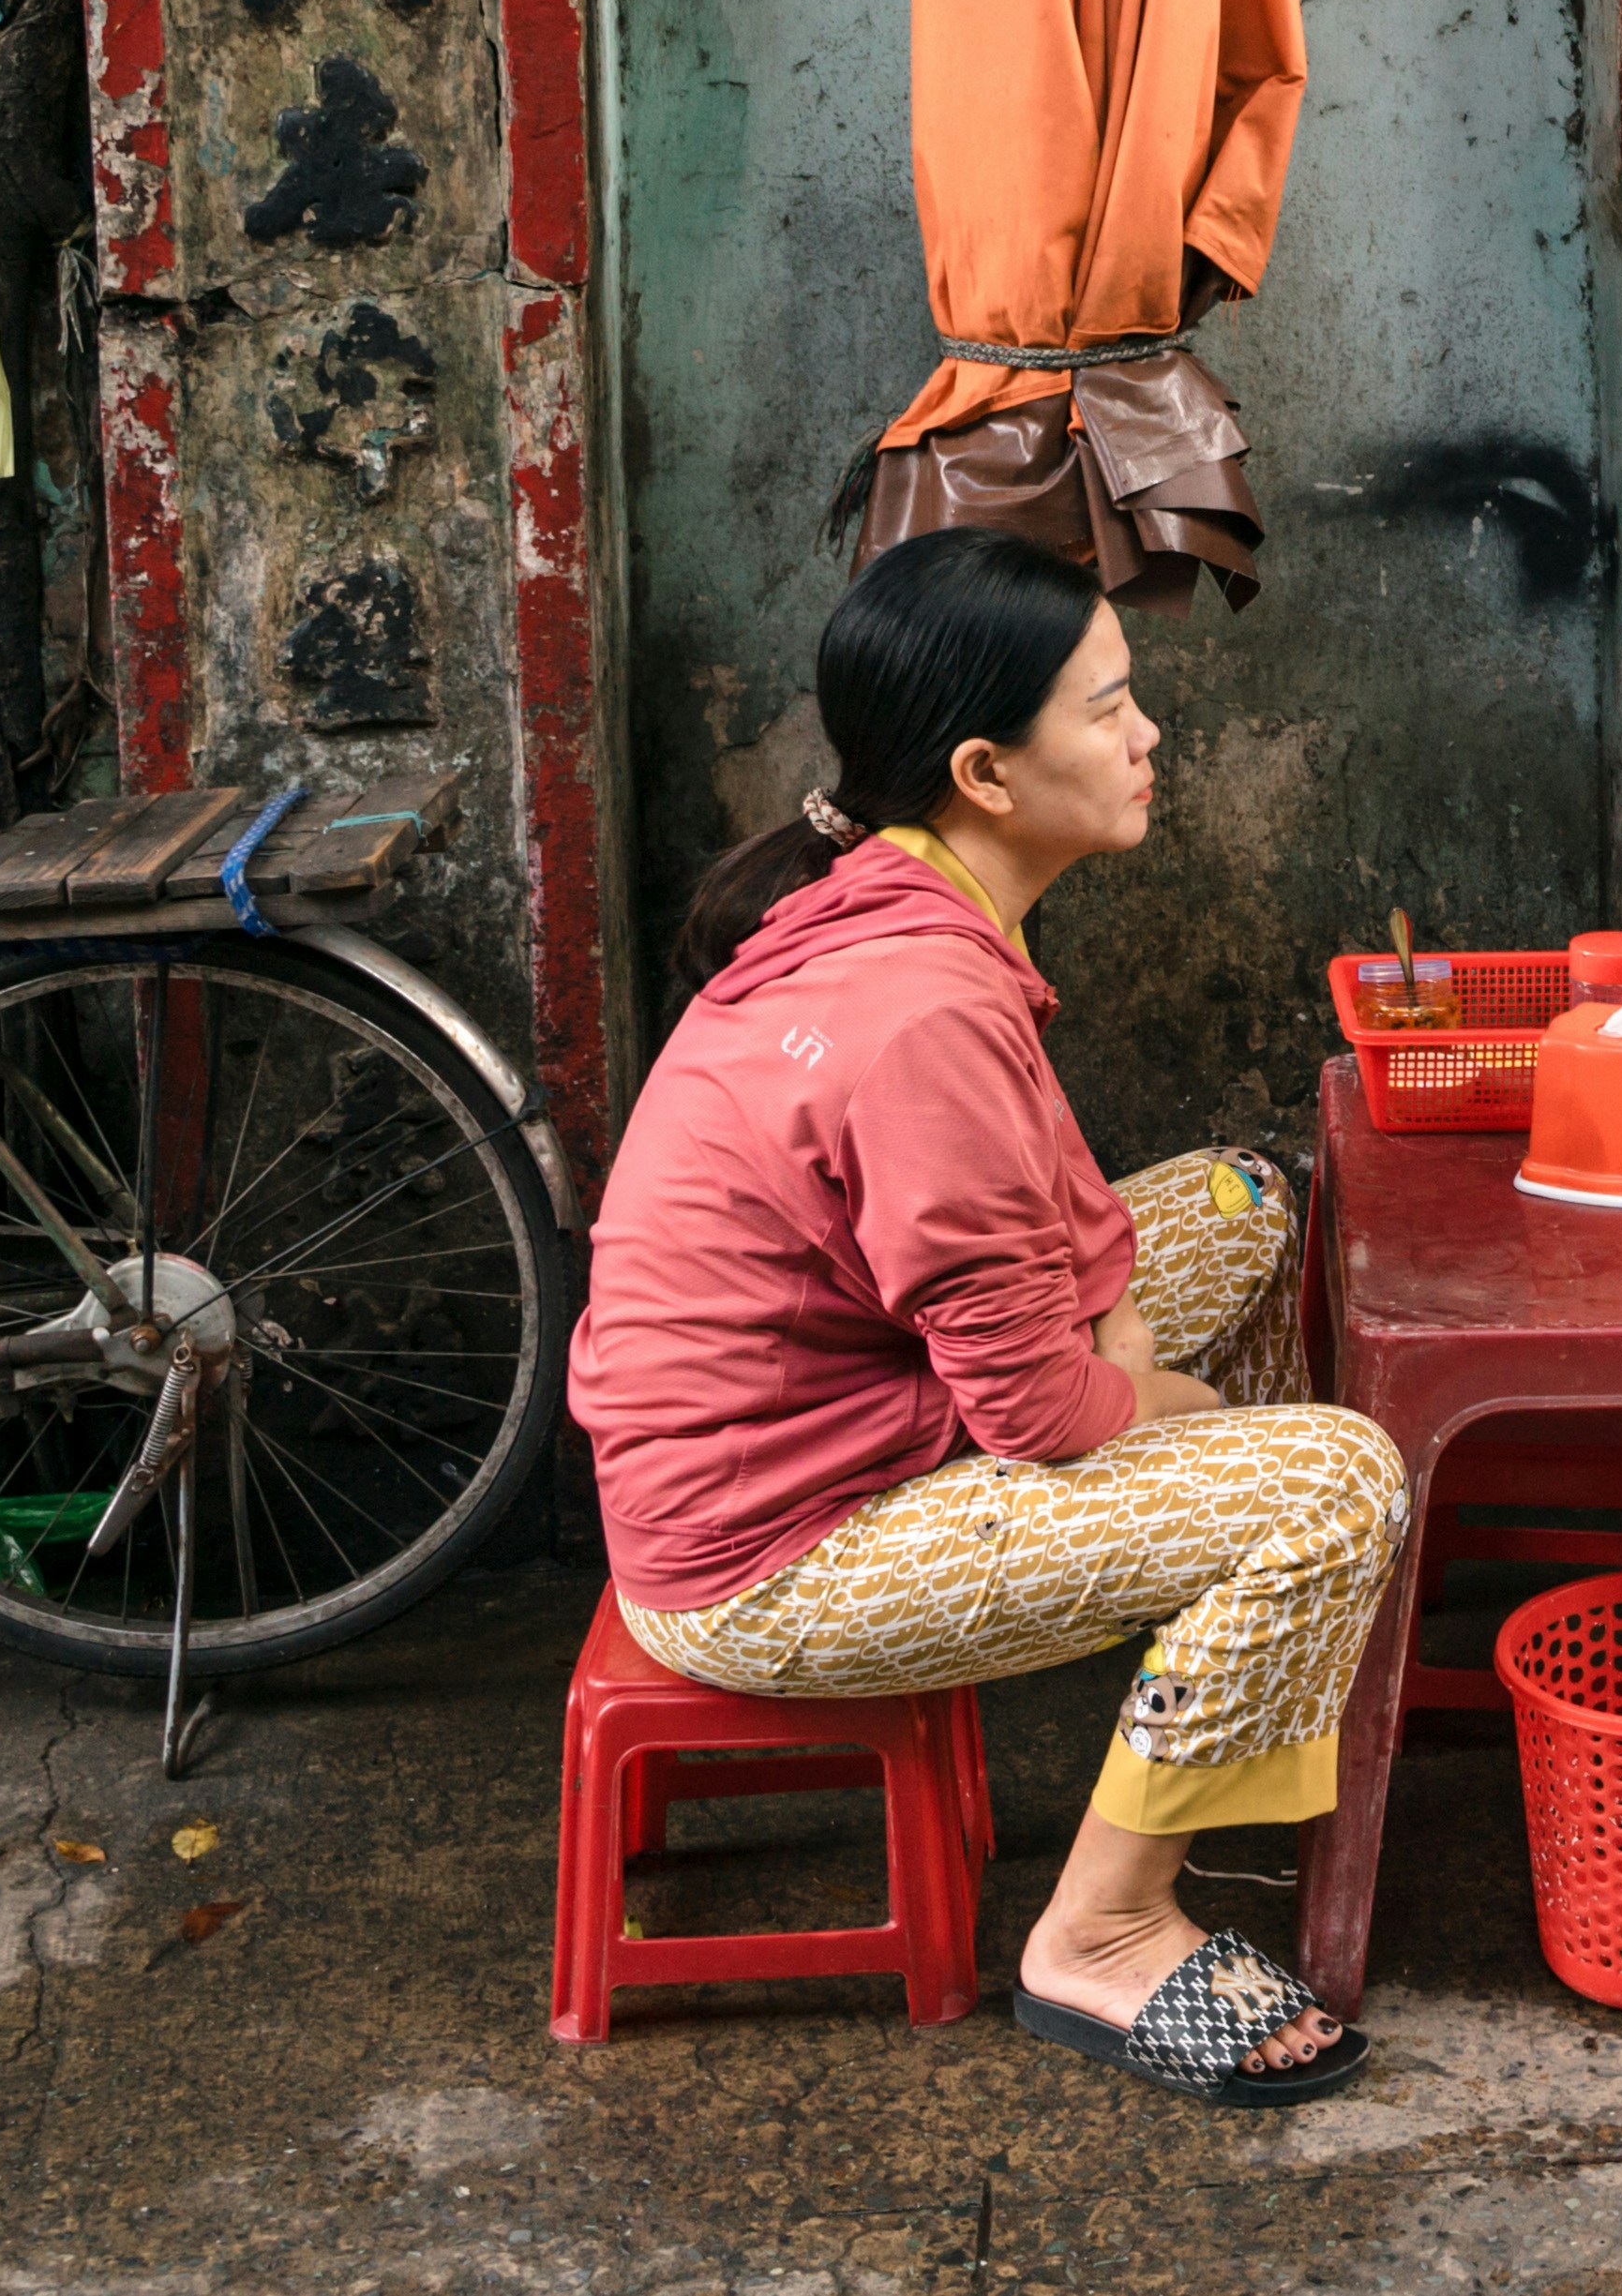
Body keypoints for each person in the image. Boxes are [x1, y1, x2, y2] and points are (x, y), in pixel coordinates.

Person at [573, 530, 1406, 2105]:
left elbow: (1045, 1217)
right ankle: (1103, 1928)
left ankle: (1229, 1693)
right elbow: (1037, 1409)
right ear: (986, 770)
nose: (1148, 733)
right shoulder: (921, 1005)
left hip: (862, 1409)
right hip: (770, 1554)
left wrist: (1125, 1358)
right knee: (1332, 1483)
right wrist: (1210, 1435)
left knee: (1242, 1199)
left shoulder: (916, 897)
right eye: (1107, 710)